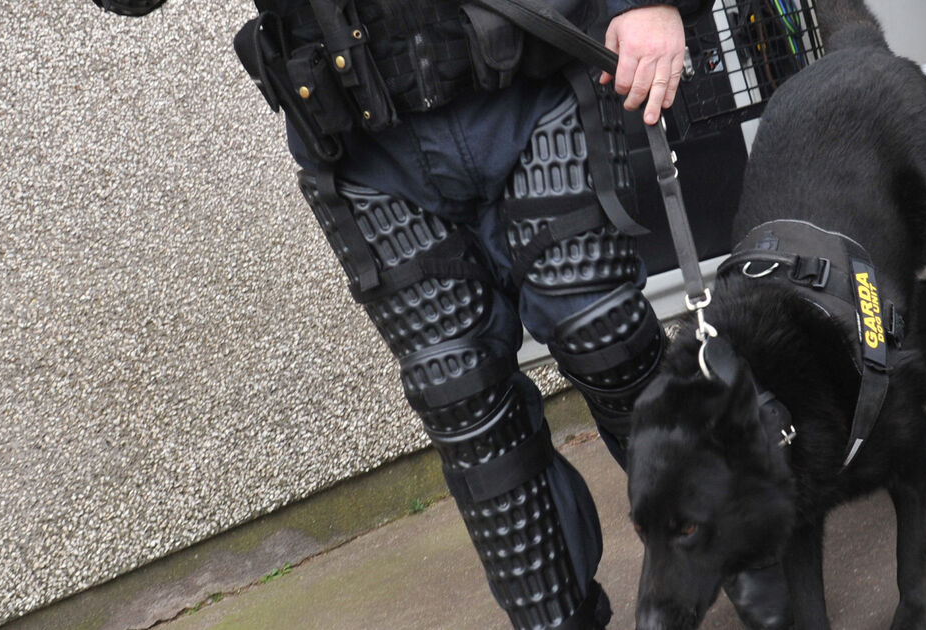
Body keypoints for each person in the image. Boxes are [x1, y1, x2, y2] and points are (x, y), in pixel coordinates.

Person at [97, 0, 720, 628]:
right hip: (364, 146)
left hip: (534, 80)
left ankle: (748, 561)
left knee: (603, 334)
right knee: (462, 402)